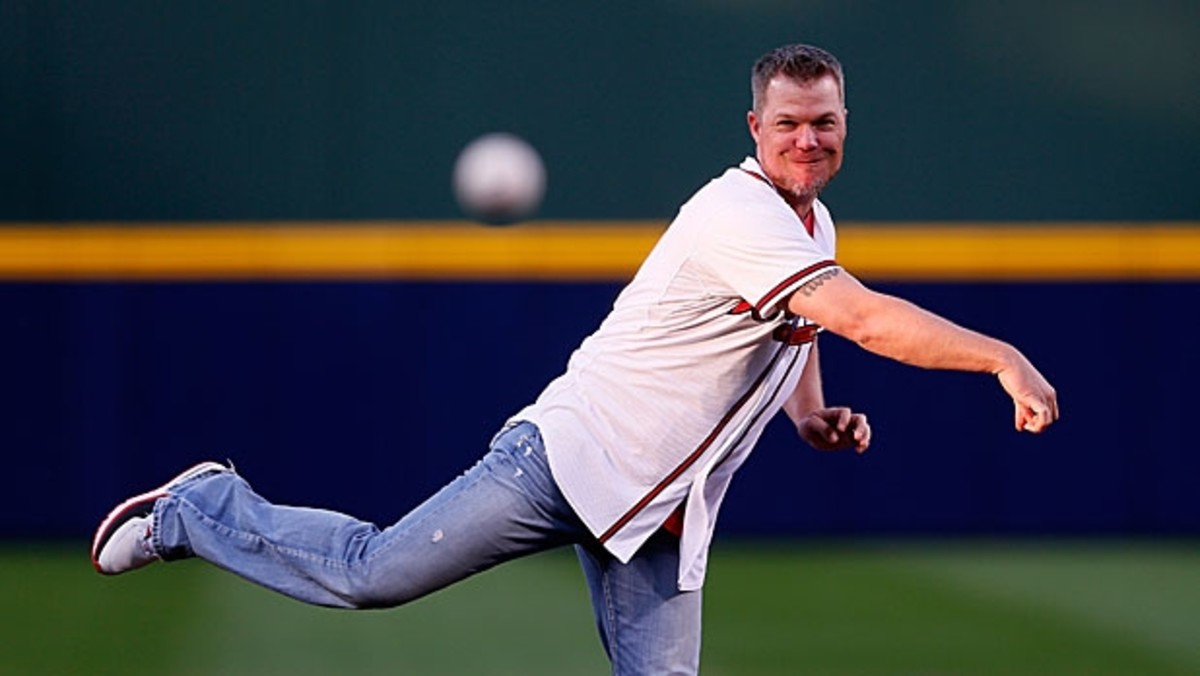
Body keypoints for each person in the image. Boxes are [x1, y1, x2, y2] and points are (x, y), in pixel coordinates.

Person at [91, 43, 1058, 675]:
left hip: (657, 512)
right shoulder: (737, 210)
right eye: (788, 123)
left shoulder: (811, 220)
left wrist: (807, 413)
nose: (807, 138)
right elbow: (860, 318)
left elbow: (800, 325)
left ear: (844, 125)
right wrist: (1000, 356)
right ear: (755, 131)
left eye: (824, 121)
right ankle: (199, 507)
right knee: (372, 573)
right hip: (566, 460)